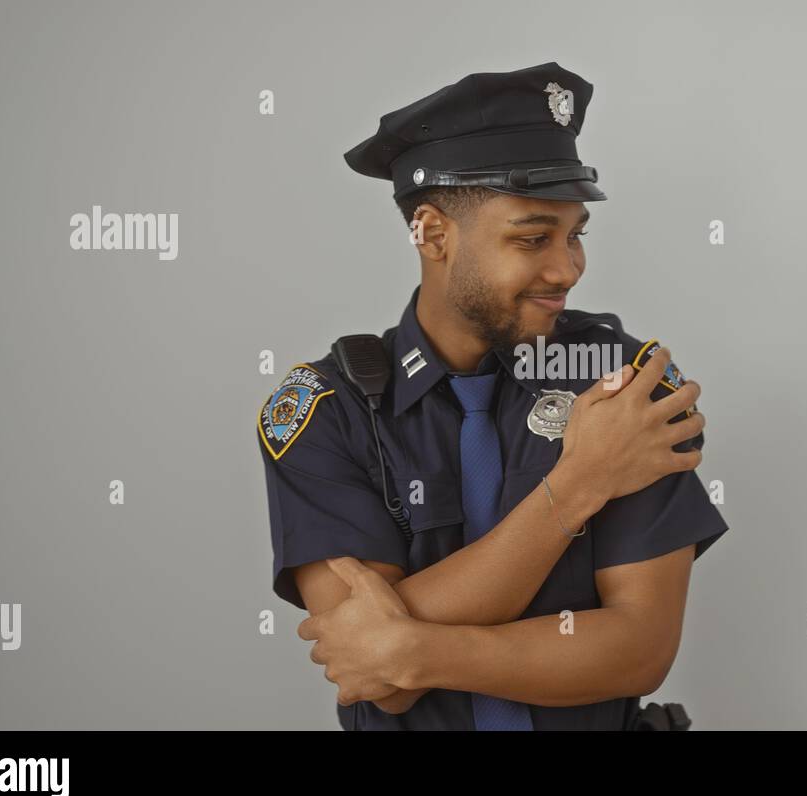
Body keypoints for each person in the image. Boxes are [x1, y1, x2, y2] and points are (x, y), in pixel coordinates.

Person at [256, 62, 729, 730]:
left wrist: (421, 650)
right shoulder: (326, 410)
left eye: (575, 235)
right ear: (433, 233)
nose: (567, 267)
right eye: (533, 238)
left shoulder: (617, 380)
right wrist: (580, 483)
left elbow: (637, 649)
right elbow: (364, 663)